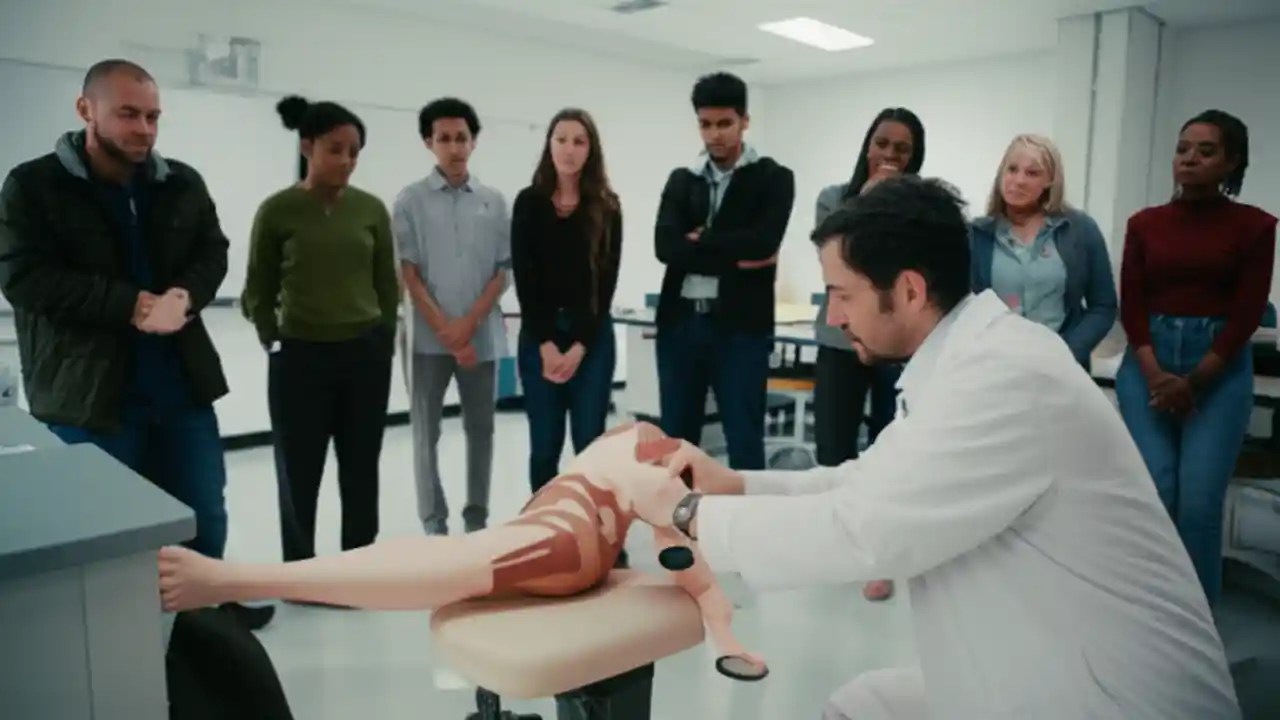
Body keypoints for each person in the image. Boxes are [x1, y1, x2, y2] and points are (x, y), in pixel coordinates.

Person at [628, 176, 1239, 719]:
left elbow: (866, 530)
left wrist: (687, 516)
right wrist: (734, 484)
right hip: (1042, 662)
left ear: (911, 290)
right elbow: (869, 480)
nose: (834, 316)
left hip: (1118, 697)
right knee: (857, 704)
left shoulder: (1008, 374)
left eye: (843, 294)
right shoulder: (962, 362)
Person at [155, 421, 767, 682]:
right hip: (570, 536)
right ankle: (237, 579)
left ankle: (236, 578)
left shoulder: (645, 455)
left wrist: (719, 619)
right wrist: (716, 618)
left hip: (569, 539)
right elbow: (679, 540)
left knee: (456, 563)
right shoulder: (631, 450)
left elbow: (679, 531)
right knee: (456, 561)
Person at [0, 58, 272, 629]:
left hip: (181, 389)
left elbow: (212, 251)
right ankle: (122, 643)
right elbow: (23, 276)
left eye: (152, 116)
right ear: (86, 110)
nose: (144, 129)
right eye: (128, 113)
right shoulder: (33, 185)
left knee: (202, 517)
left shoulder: (181, 182)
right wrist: (131, 305)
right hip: (88, 399)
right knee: (107, 531)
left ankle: (206, 631)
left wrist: (184, 295)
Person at [1115, 109, 1277, 607]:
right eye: (1183, 148)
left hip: (1220, 367)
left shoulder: (1256, 226)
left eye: (1206, 152)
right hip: (1148, 361)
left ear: (1231, 163)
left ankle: (1196, 620)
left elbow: (1249, 312)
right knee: (1157, 491)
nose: (1189, 159)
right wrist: (1156, 375)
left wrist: (1196, 379)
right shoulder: (1145, 224)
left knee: (1201, 504)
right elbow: (1131, 304)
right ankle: (1148, 607)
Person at [241, 96, 398, 565]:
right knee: (298, 469)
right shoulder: (278, 210)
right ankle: (301, 568)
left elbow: (386, 284)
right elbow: (258, 285)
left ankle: (360, 562)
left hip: (365, 356)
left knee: (361, 465)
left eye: (354, 152)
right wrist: (272, 333)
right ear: (308, 147)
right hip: (300, 357)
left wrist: (384, 337)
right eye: (336, 149)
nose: (347, 161)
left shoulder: (370, 210)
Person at [811, 107, 925, 603]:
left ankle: (879, 557)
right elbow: (838, 257)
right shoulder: (834, 199)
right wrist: (869, 203)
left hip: (895, 343)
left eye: (902, 149)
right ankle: (834, 546)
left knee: (888, 452)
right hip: (840, 339)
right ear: (867, 145)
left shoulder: (920, 210)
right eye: (883, 144)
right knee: (834, 446)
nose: (890, 156)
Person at [654, 71, 794, 471]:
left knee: (744, 441)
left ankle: (746, 531)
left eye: (724, 124)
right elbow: (665, 247)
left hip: (741, 331)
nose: (714, 134)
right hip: (681, 327)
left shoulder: (774, 179)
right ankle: (678, 528)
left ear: (745, 121)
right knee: (677, 444)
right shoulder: (682, 181)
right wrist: (732, 249)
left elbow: (763, 242)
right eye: (705, 124)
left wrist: (701, 240)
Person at [393, 97, 511, 536]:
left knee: (482, 429)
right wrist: (446, 329)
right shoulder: (410, 200)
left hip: (481, 337)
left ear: (474, 141)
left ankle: (476, 519)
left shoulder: (494, 202)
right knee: (426, 432)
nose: (454, 147)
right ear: (429, 142)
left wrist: (467, 327)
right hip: (427, 340)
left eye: (462, 137)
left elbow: (504, 270)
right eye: (444, 138)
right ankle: (433, 523)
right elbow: (407, 271)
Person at [511, 108, 622, 492]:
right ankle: (545, 536)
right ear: (549, 145)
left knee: (591, 446)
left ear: (591, 149)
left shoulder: (606, 207)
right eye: (561, 139)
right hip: (538, 339)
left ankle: (600, 539)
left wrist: (578, 346)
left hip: (590, 338)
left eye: (579, 141)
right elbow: (526, 281)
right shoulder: (529, 203)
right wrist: (545, 343)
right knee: (544, 447)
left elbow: (605, 287)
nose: (569, 149)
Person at [970, 134, 1116, 369]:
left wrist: (1067, 352)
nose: (1018, 180)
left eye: (1032, 173)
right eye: (1012, 169)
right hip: (993, 364)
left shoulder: (1080, 230)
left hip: (1061, 365)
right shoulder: (977, 235)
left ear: (1050, 181)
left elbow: (1103, 306)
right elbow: (963, 309)